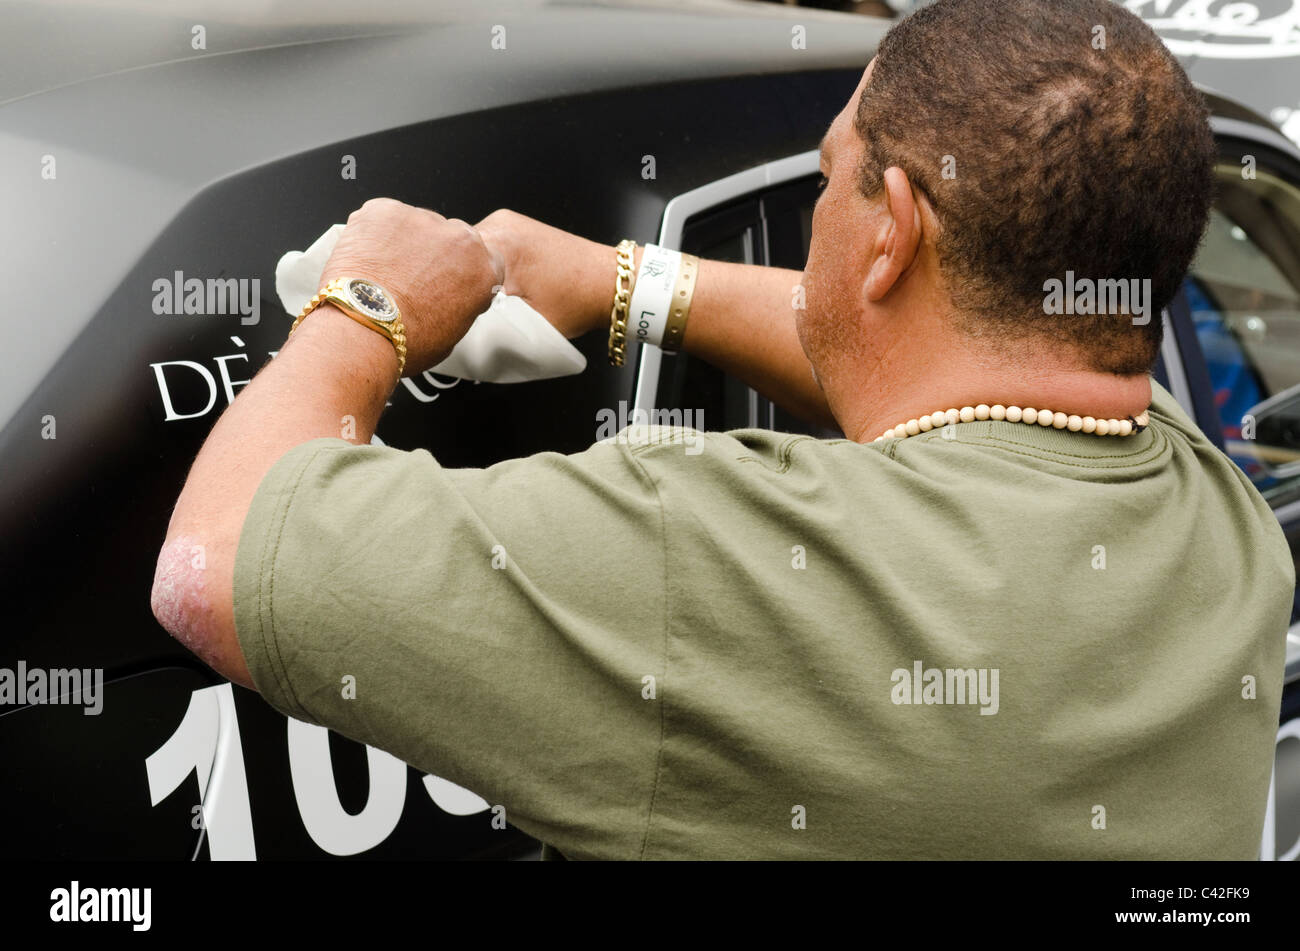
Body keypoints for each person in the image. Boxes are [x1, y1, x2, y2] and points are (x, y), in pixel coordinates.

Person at [151, 0, 1292, 859]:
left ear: (892, 229)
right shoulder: (1216, 514)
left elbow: (217, 562)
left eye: (831, 173)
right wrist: (621, 283)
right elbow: (930, 367)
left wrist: (370, 304)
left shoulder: (717, 558)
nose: (816, 211)